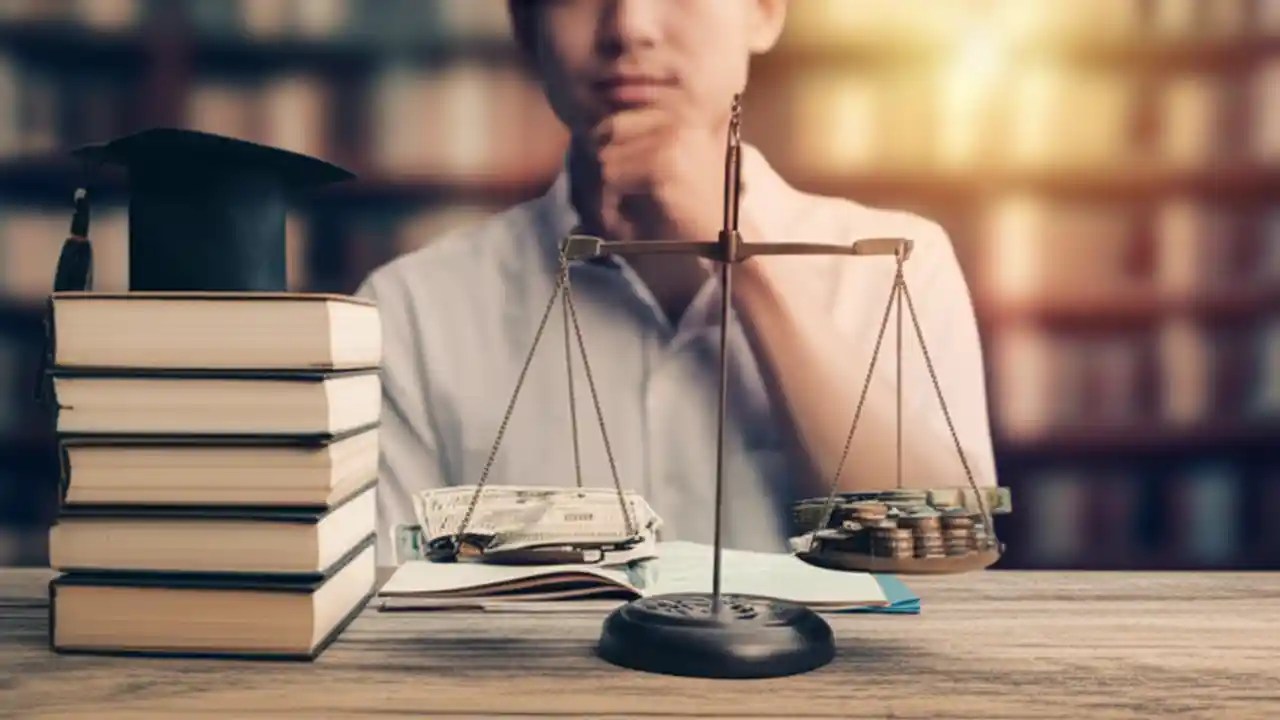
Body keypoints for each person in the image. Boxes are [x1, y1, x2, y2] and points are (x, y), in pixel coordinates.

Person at [357, 0, 997, 564]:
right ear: (524, 26)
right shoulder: (409, 311)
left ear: (765, 11)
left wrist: (743, 261)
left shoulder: (896, 263)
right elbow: (396, 617)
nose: (630, 25)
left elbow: (949, 553)